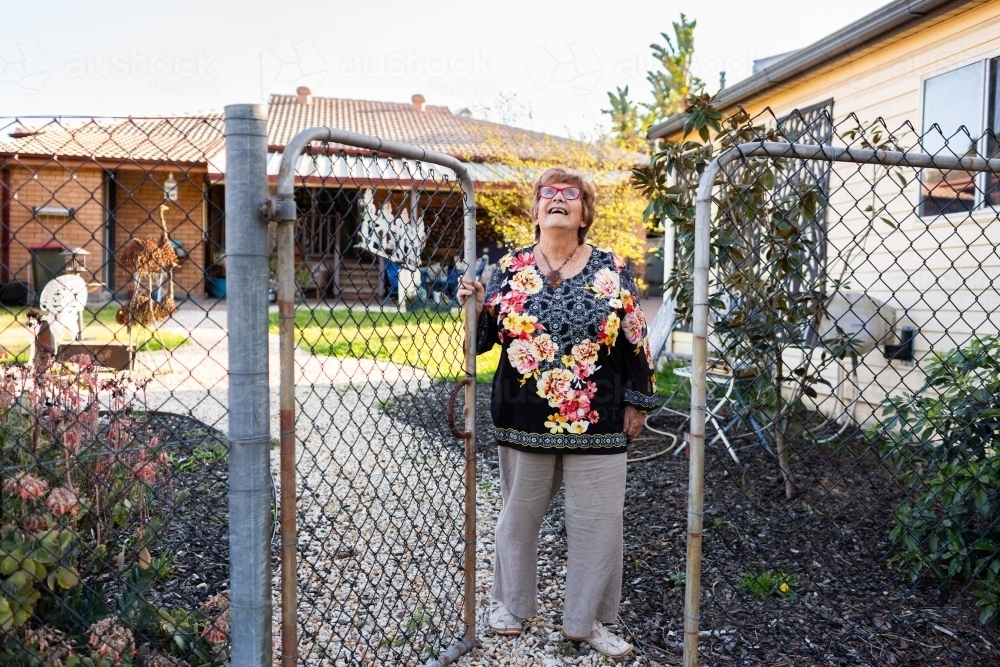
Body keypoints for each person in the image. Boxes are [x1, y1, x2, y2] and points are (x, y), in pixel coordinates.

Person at [457, 167, 657, 659]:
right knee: (518, 517)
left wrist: (639, 399)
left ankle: (585, 620)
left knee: (599, 521)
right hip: (523, 417)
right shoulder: (510, 267)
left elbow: (635, 336)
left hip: (600, 417)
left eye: (572, 194)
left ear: (585, 212)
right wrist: (475, 308)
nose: (559, 199)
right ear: (536, 208)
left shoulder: (611, 267)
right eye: (549, 192)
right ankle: (511, 604)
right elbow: (482, 345)